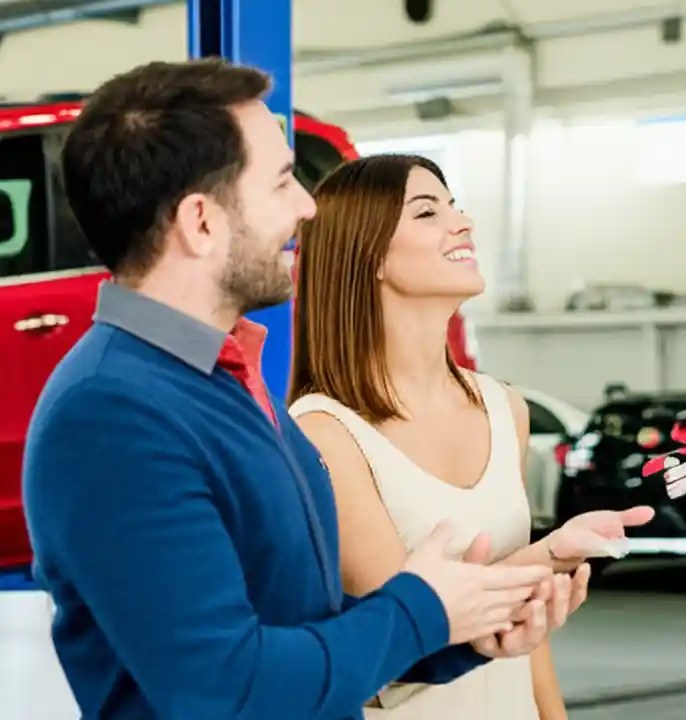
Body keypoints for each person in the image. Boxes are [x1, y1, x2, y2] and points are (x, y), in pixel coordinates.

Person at [21, 59, 560, 720]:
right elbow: (227, 691)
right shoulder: (112, 414)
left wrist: (462, 630)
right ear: (201, 222)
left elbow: (307, 628)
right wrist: (422, 607)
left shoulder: (223, 381)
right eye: (281, 183)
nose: (307, 206)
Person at [285, 153, 655, 719]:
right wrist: (546, 557)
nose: (463, 222)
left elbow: (531, 639)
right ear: (368, 254)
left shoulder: (505, 408)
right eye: (427, 211)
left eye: (454, 205)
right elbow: (405, 633)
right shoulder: (325, 432)